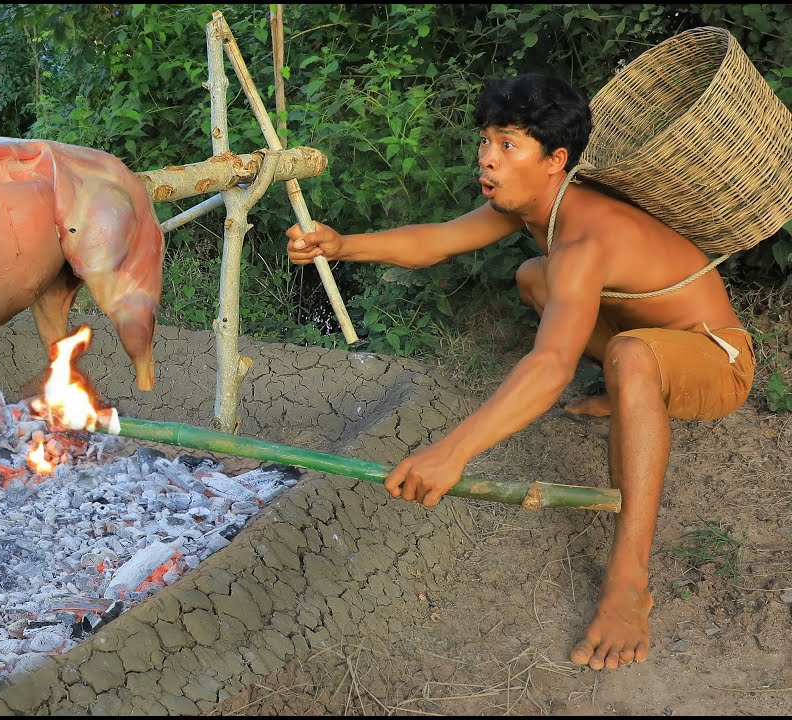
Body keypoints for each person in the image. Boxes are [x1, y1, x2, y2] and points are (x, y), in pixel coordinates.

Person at [286, 74, 754, 671]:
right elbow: (438, 239)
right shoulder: (535, 204)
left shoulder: (586, 238)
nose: (488, 159)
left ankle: (629, 583)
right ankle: (629, 389)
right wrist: (341, 244)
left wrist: (451, 452)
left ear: (556, 160)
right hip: (646, 335)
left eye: (508, 145)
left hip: (717, 359)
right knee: (535, 276)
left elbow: (551, 363)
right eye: (485, 141)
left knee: (632, 355)